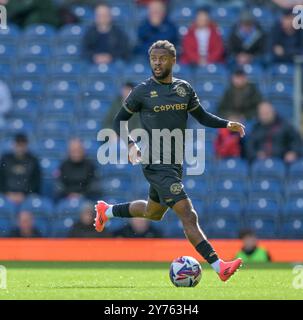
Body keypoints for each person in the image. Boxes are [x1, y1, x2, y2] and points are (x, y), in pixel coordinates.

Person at [94, 40, 246, 282]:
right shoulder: (142, 91)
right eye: (153, 58)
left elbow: (202, 116)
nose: (157, 62)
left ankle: (107, 211)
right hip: (155, 163)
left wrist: (227, 124)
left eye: (162, 58)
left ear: (173, 60)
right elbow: (118, 120)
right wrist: (131, 144)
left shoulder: (184, 89)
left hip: (174, 164)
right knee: (188, 213)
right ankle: (220, 267)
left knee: (152, 212)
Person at [0, 133, 41, 204]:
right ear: (14, 145)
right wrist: (7, 193)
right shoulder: (5, 159)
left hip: (27, 197)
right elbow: (1, 178)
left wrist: (24, 194)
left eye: (22, 145)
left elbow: (35, 181)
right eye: (18, 145)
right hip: (6, 195)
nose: (20, 148)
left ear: (26, 145)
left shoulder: (33, 160)